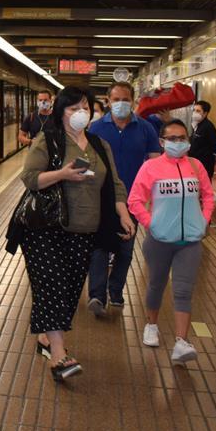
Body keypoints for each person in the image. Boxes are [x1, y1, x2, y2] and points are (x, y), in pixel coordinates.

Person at [19, 87, 134, 381]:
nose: (80, 113)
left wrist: (122, 212)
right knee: (52, 286)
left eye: (84, 106)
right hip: (46, 228)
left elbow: (116, 183)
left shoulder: (98, 144)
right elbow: (30, 178)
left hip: (86, 229)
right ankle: (59, 356)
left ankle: (47, 338)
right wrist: (63, 175)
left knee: (70, 291)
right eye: (73, 108)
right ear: (61, 112)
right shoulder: (49, 140)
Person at [127, 119, 214, 363]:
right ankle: (151, 325)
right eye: (173, 139)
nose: (179, 142)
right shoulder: (151, 167)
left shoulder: (196, 167)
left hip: (191, 240)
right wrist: (151, 223)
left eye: (183, 138)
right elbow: (135, 200)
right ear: (162, 142)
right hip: (160, 240)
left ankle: (181, 342)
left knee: (184, 290)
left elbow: (207, 196)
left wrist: (204, 220)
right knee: (157, 284)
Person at [86, 81, 161, 315]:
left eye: (125, 99)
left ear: (133, 101)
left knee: (125, 250)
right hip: (101, 198)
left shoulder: (146, 129)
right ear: (108, 101)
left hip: (133, 200)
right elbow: (85, 161)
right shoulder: (95, 129)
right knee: (98, 248)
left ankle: (115, 290)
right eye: (116, 99)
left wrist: (153, 198)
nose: (121, 104)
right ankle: (97, 296)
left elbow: (155, 162)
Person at [189, 100, 216, 181]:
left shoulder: (208, 127)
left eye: (198, 111)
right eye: (194, 110)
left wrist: (215, 157)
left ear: (205, 113)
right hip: (195, 164)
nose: (195, 113)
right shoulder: (196, 125)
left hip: (204, 166)